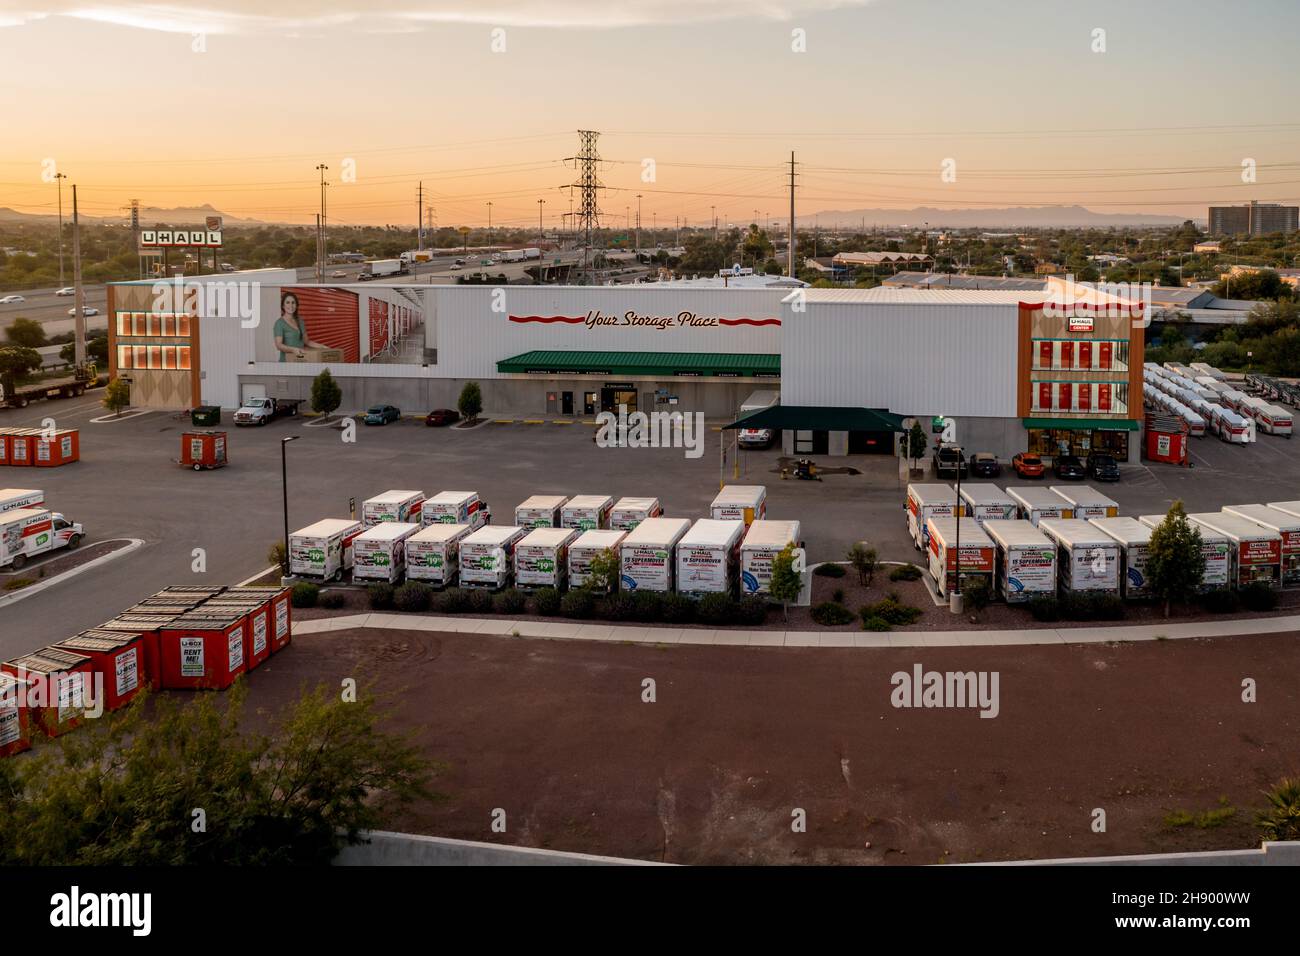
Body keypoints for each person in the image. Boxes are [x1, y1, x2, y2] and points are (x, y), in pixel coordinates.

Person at [273, 291, 329, 362]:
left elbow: (307, 342)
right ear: (283, 306)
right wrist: (293, 349)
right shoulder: (279, 323)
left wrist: (322, 347)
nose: (291, 305)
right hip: (286, 362)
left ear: (296, 305)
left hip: (300, 360)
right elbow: (279, 345)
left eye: (293, 302)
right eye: (287, 302)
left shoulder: (300, 321)